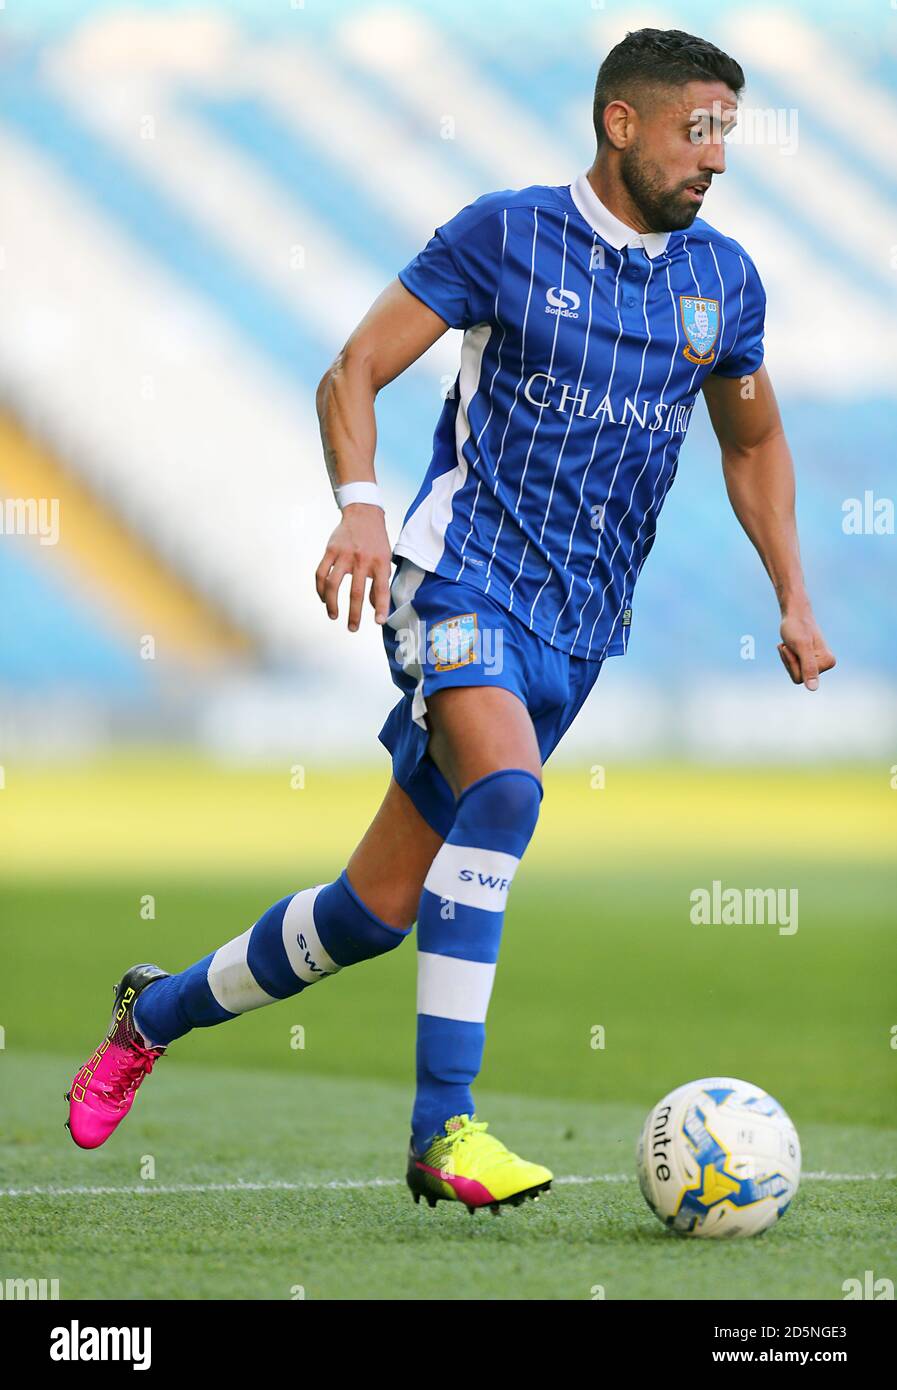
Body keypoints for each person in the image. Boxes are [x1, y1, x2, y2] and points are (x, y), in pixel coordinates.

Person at [65, 28, 835, 1214]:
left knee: (365, 915)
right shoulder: (507, 233)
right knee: (510, 795)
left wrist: (790, 589)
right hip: (457, 577)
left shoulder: (722, 282)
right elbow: (353, 369)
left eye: (727, 132)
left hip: (578, 633)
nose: (717, 159)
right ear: (620, 124)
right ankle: (445, 1131)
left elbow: (753, 437)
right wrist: (363, 511)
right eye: (699, 129)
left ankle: (149, 1013)